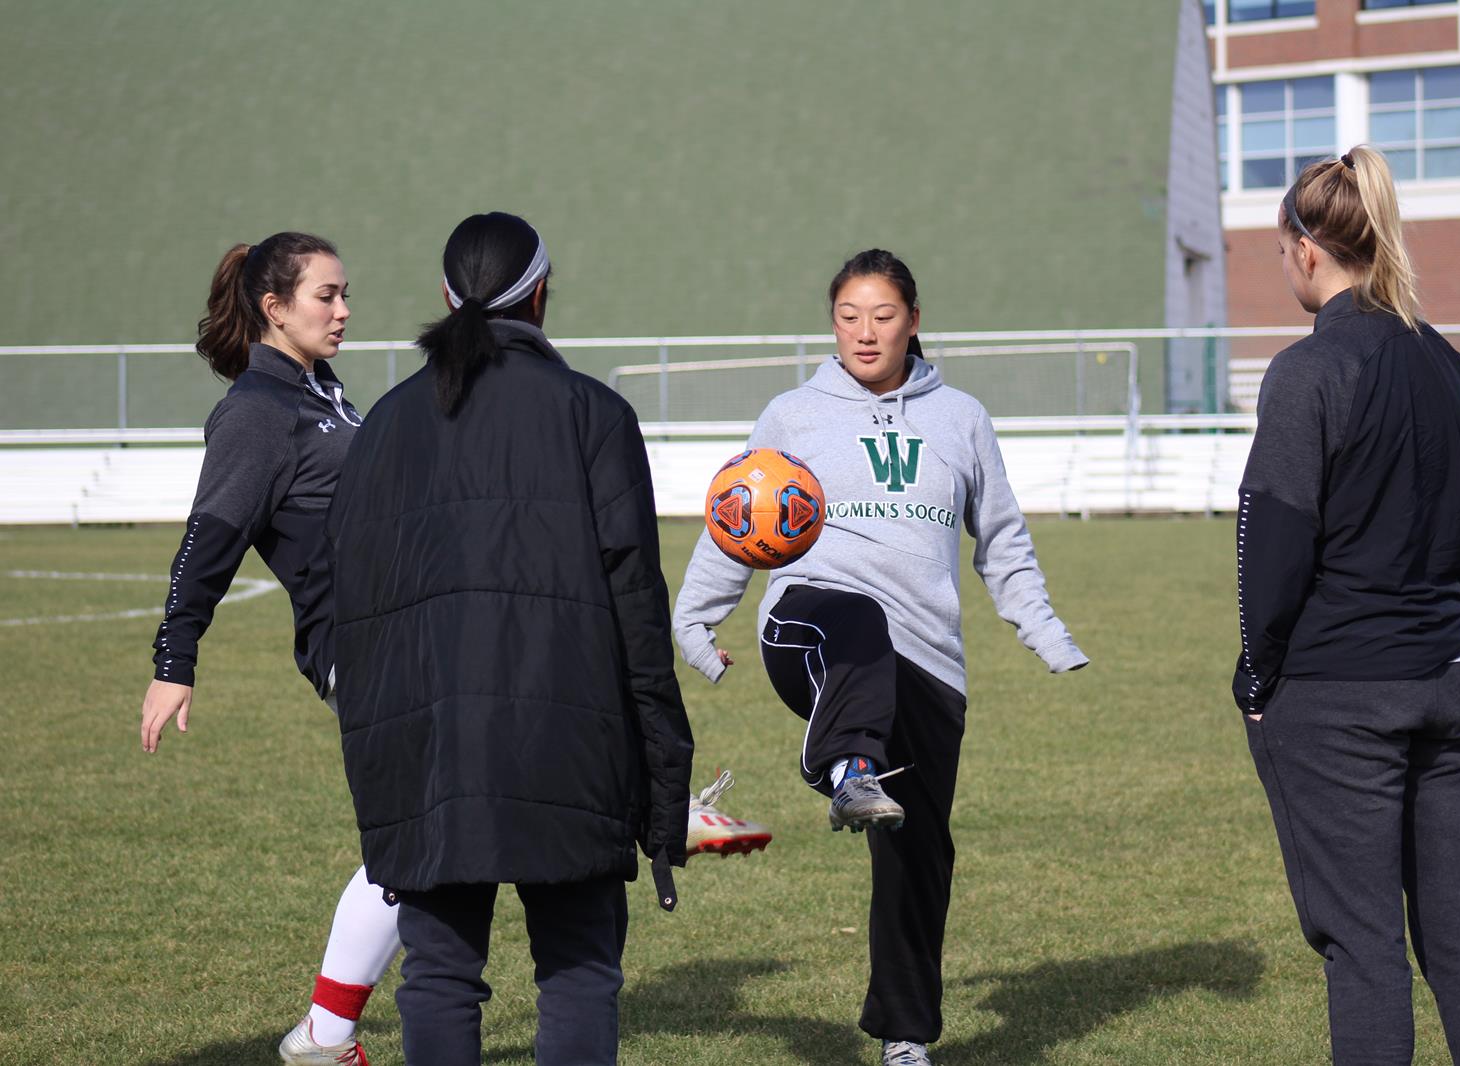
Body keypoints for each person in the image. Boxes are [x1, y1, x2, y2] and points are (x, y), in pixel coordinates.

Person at [672, 249, 1089, 1066]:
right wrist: (695, 623)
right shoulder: (792, 414)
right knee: (857, 621)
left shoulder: (962, 418)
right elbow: (737, 516)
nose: (865, 332)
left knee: (920, 852)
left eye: (883, 315)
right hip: (810, 628)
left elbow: (1000, 539)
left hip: (926, 660)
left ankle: (905, 1037)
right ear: (832, 323)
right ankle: (841, 767)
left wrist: (1045, 630)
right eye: (848, 316)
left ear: (915, 320)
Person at [323, 211, 695, 1066]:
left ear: (447, 297)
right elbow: (637, 605)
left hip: (427, 745)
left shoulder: (382, 425)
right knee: (578, 967)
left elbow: (356, 611)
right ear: (540, 298)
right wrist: (664, 776)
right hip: (570, 737)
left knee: (440, 973)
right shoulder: (594, 413)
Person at [1235, 146, 1460, 1064]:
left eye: (1281, 250)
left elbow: (1273, 548)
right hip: (1446, 679)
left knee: (1362, 944)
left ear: (1307, 249)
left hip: (1340, 696)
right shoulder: (1447, 363)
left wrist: (1257, 672)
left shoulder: (1310, 372)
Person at [138, 232, 399, 1066]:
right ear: (273, 308)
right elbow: (207, 541)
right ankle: (327, 1035)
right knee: (415, 842)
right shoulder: (257, 412)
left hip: (407, 636)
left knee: (440, 834)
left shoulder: (323, 393)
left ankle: (349, 1026)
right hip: (359, 649)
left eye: (345, 292)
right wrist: (173, 664)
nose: (345, 309)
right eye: (327, 296)